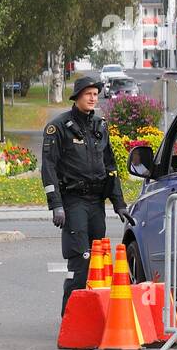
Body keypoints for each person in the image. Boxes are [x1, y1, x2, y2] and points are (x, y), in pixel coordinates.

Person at [41, 75, 134, 315]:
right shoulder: (59, 127)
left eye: (95, 94)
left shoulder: (99, 126)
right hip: (73, 202)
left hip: (96, 204)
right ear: (77, 97)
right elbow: (49, 167)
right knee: (80, 262)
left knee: (97, 262)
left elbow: (110, 167)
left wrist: (119, 203)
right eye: (88, 94)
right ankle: (71, 319)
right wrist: (56, 205)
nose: (93, 98)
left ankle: (92, 318)